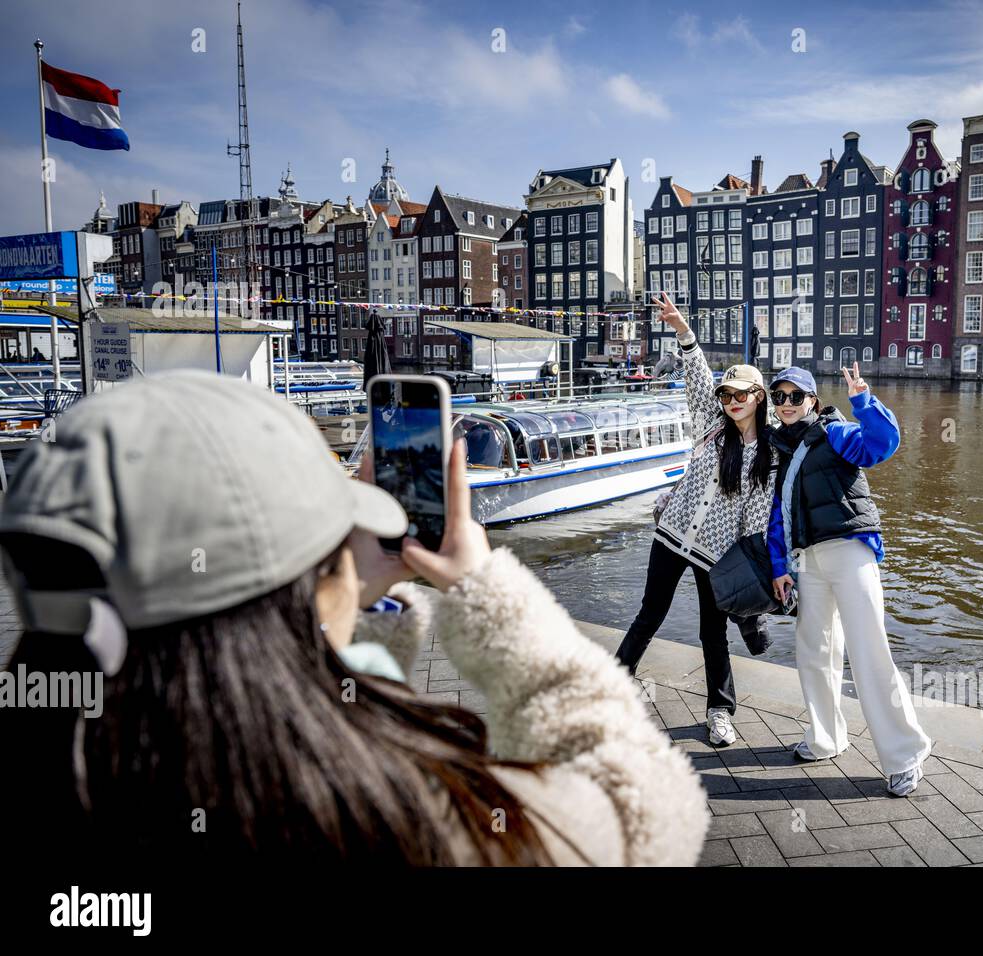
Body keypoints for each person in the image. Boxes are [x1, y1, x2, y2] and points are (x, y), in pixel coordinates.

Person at [0, 369, 708, 864]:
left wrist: (346, 601)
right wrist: (487, 588)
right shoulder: (407, 826)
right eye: (334, 552)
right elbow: (649, 801)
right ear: (305, 595)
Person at [615, 292, 774, 747]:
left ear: (757, 397)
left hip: (716, 553)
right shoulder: (710, 421)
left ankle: (720, 712)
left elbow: (757, 514)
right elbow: (698, 377)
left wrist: (759, 562)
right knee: (650, 614)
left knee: (712, 632)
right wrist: (684, 332)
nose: (731, 401)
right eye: (727, 395)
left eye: (741, 395)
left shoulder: (767, 454)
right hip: (672, 534)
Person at [766, 363, 931, 797]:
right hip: (807, 560)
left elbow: (881, 445)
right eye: (778, 396)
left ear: (812, 402)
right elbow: (778, 516)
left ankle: (904, 755)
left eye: (794, 396)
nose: (786, 404)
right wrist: (779, 566)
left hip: (849, 549)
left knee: (868, 650)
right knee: (814, 651)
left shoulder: (834, 431)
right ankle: (826, 738)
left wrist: (863, 398)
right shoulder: (780, 448)